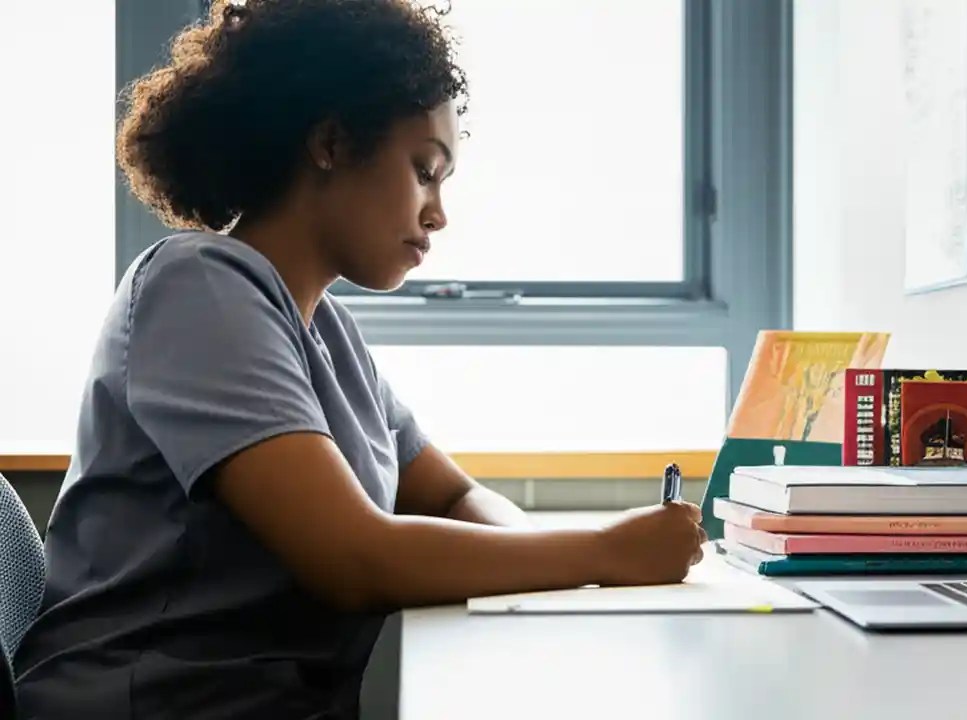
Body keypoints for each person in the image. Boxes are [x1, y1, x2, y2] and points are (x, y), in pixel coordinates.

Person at [14, 1, 706, 718]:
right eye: (424, 171)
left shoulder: (328, 333)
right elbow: (353, 559)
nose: (439, 213)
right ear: (334, 144)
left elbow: (452, 498)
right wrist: (600, 552)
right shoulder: (197, 287)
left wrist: (553, 557)